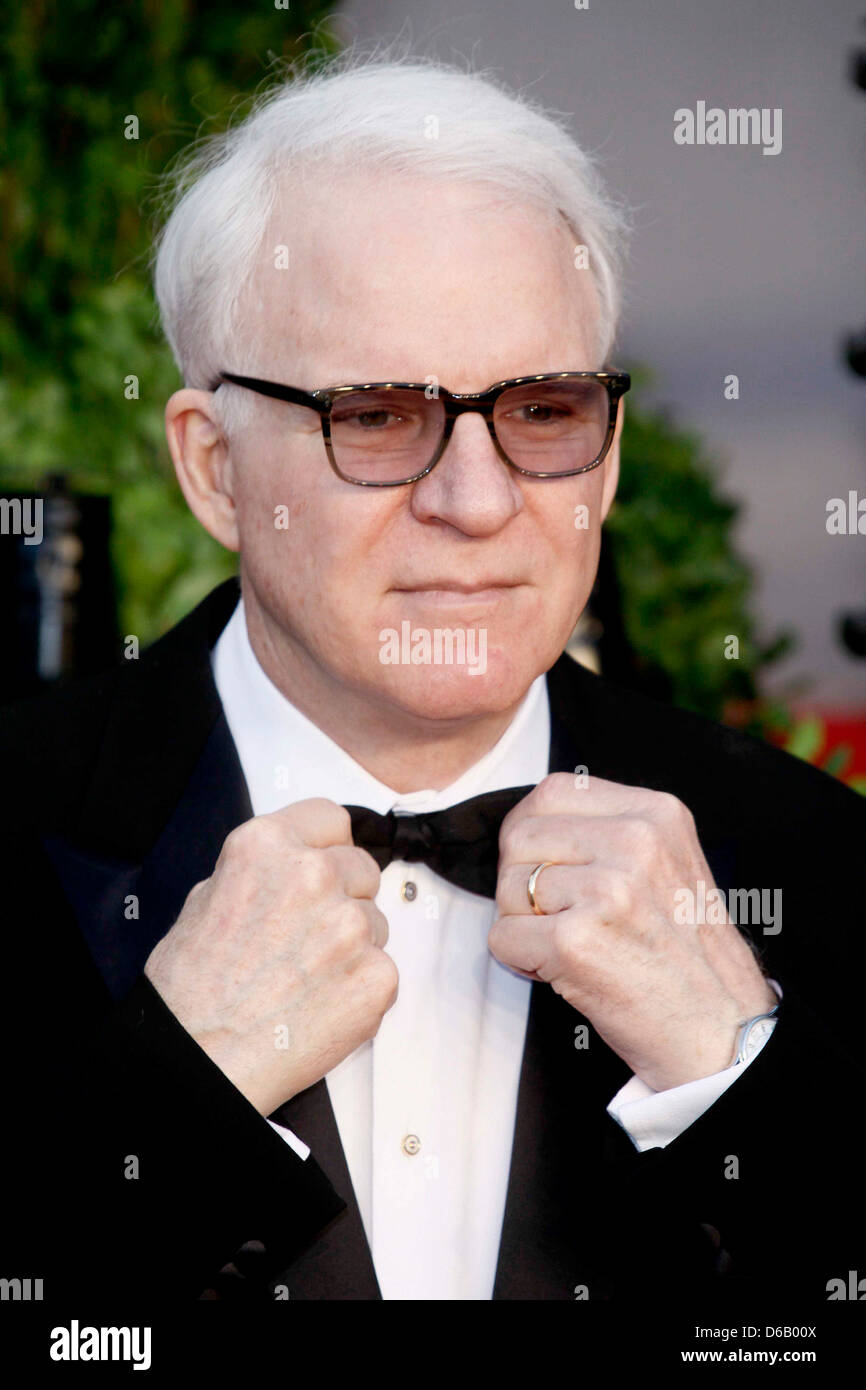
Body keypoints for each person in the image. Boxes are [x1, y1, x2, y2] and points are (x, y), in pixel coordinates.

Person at [1, 54, 862, 1305]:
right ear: (213, 468)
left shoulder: (821, 860)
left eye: (543, 410)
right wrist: (166, 1103)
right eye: (379, 416)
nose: (475, 501)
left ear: (607, 456)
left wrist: (737, 1085)